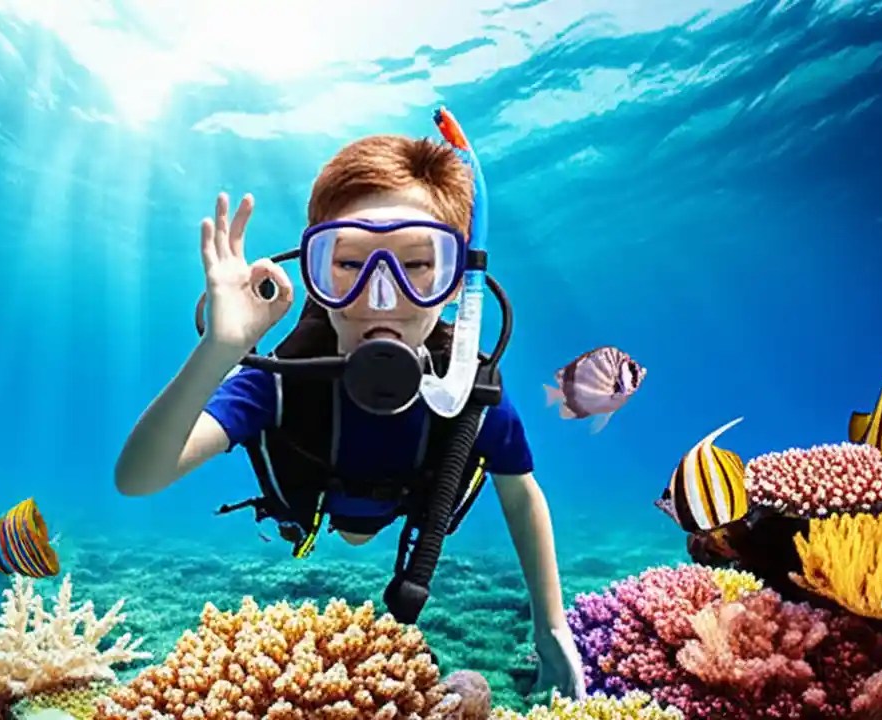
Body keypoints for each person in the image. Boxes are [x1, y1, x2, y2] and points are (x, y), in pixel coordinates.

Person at [115, 108, 587, 700]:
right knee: (353, 531)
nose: (381, 298)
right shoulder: (283, 381)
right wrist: (221, 350)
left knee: (376, 526)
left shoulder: (471, 392)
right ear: (316, 278)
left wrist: (552, 628)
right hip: (310, 508)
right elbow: (137, 477)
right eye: (347, 265)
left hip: (408, 503)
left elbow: (521, 494)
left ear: (456, 286)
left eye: (418, 265)